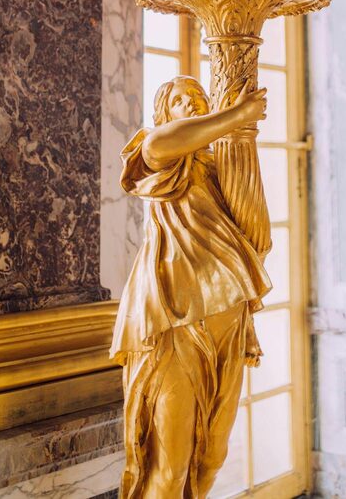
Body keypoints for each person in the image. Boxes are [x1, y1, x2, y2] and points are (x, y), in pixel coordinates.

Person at [110, 75, 271, 498]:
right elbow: (166, 141)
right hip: (173, 320)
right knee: (170, 463)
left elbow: (258, 237)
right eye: (180, 100)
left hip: (227, 314)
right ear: (164, 114)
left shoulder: (218, 167)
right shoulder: (156, 156)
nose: (193, 103)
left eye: (198, 98)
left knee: (212, 455)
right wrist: (238, 115)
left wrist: (242, 139)